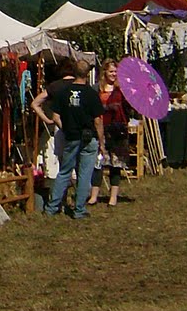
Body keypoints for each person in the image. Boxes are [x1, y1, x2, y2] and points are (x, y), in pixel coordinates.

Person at [32, 58, 104, 220]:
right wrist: (102, 141)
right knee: (84, 174)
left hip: (70, 136)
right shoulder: (91, 93)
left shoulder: (63, 92)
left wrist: (65, 128)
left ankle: (51, 207)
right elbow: (98, 120)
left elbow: (56, 116)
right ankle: (79, 209)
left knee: (64, 172)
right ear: (87, 73)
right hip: (88, 137)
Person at [91, 60, 130, 206]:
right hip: (100, 128)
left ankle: (113, 197)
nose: (114, 74)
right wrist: (107, 107)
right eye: (111, 71)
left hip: (116, 131)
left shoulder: (122, 90)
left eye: (115, 72)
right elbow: (93, 107)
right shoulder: (97, 89)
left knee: (115, 164)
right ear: (104, 72)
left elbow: (127, 109)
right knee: (98, 163)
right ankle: (94, 196)